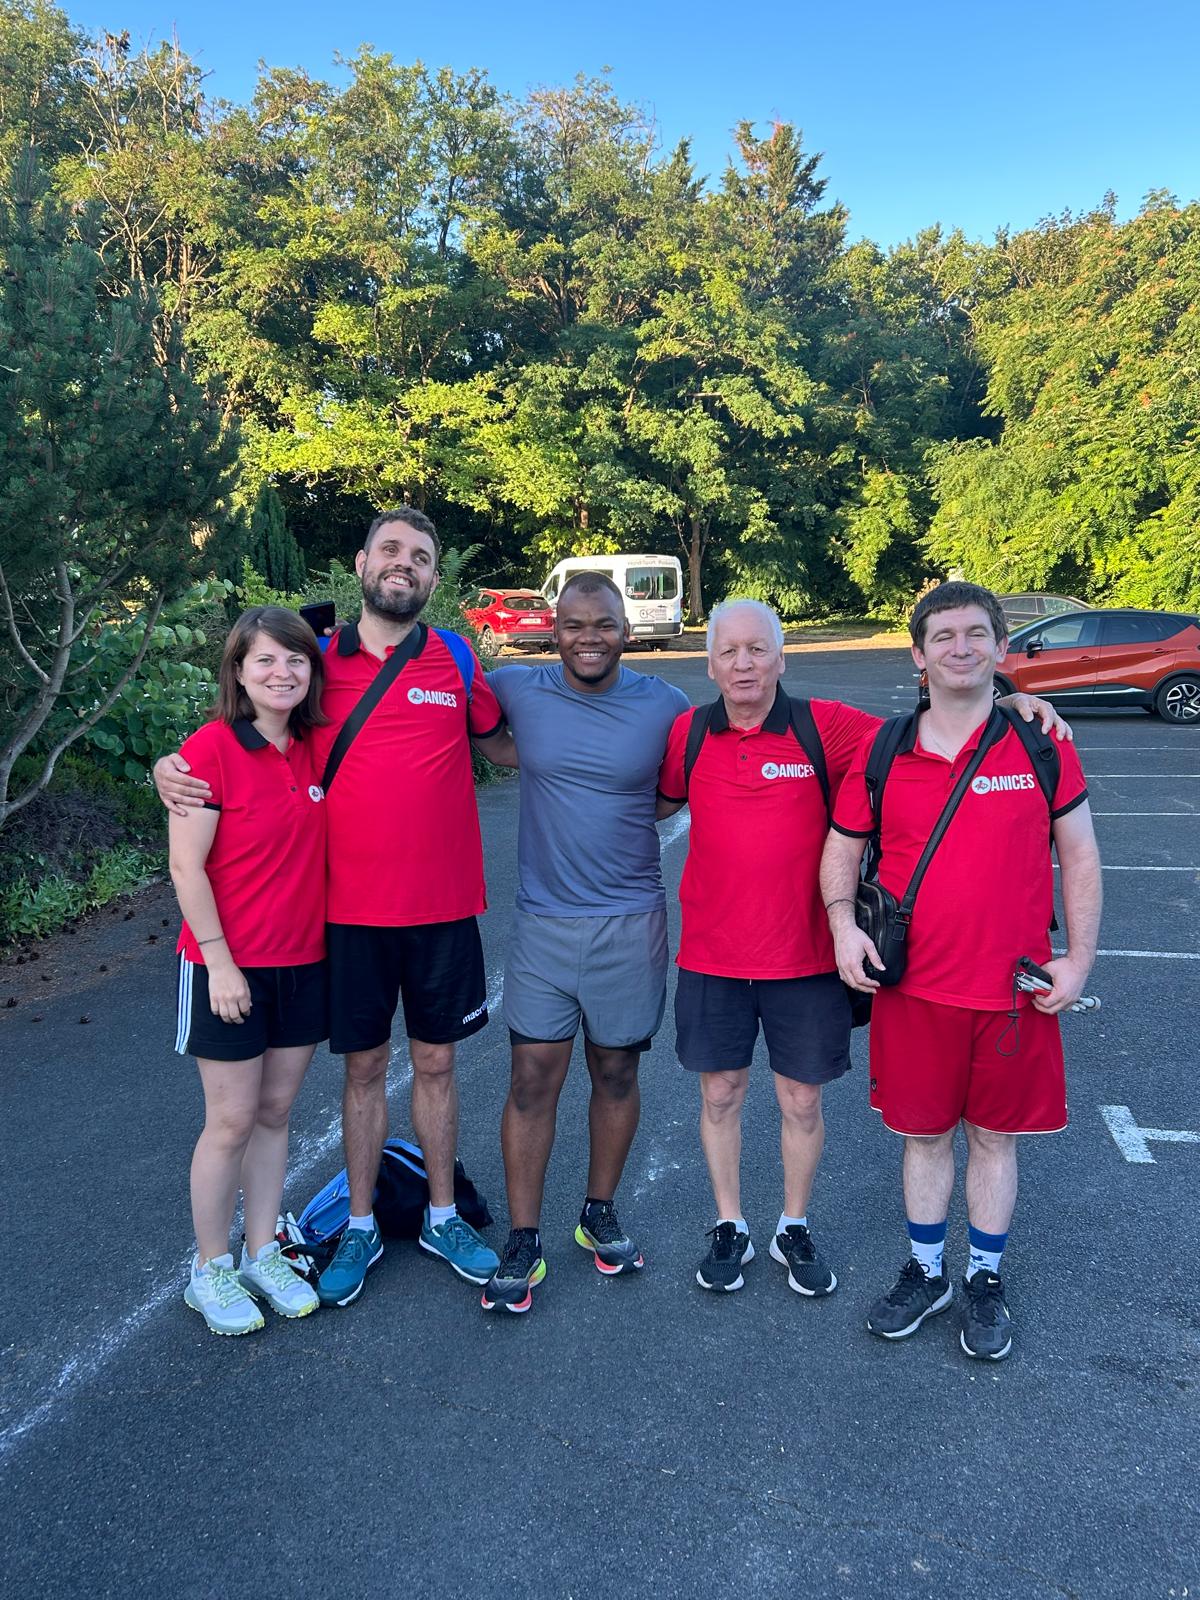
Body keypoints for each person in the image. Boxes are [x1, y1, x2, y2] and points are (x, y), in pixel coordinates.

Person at [655, 598, 1070, 1301]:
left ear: (782, 658)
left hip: (809, 957)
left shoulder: (831, 728)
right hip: (712, 955)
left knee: (801, 1102)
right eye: (729, 652)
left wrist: (1014, 700)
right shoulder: (688, 734)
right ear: (711, 662)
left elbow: (942, 723)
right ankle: (729, 1224)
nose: (744, 664)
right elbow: (657, 803)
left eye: (758, 649)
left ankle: (793, 1224)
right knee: (720, 1094)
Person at [157, 509, 512, 1309]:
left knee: (438, 1063)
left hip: (444, 908)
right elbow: (244, 726)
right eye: (390, 550)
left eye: (421, 557)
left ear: (432, 577)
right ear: (360, 563)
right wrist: (167, 766)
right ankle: (356, 1224)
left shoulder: (456, 654)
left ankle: (443, 1214)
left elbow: (510, 743)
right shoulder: (315, 661)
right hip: (345, 916)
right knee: (360, 1070)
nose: (404, 565)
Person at [820, 581, 1101, 1361]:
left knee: (995, 1140)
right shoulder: (886, 749)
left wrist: (1078, 958)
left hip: (1013, 990)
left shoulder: (1042, 742)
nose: (961, 647)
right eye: (943, 636)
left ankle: (983, 1278)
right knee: (923, 1137)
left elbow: (1078, 852)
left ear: (1001, 648)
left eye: (977, 633)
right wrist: (843, 926)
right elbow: (843, 844)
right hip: (913, 990)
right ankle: (925, 1269)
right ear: (918, 655)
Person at [479, 572, 690, 1313]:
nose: (589, 637)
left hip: (630, 922)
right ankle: (524, 1235)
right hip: (542, 923)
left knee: (617, 1072)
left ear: (626, 630)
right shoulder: (516, 689)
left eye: (603, 624)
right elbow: (443, 698)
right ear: (553, 630)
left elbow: (676, 790)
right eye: (574, 625)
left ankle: (598, 1213)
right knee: (533, 1077)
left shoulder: (667, 707)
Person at [170, 606, 329, 1335]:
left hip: (303, 962)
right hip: (225, 967)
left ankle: (264, 1250)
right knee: (230, 1120)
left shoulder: (314, 748)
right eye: (265, 660)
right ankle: (211, 1269)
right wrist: (222, 964)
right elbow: (186, 865)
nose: (282, 672)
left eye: (295, 660)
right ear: (238, 670)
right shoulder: (207, 750)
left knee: (273, 1114)